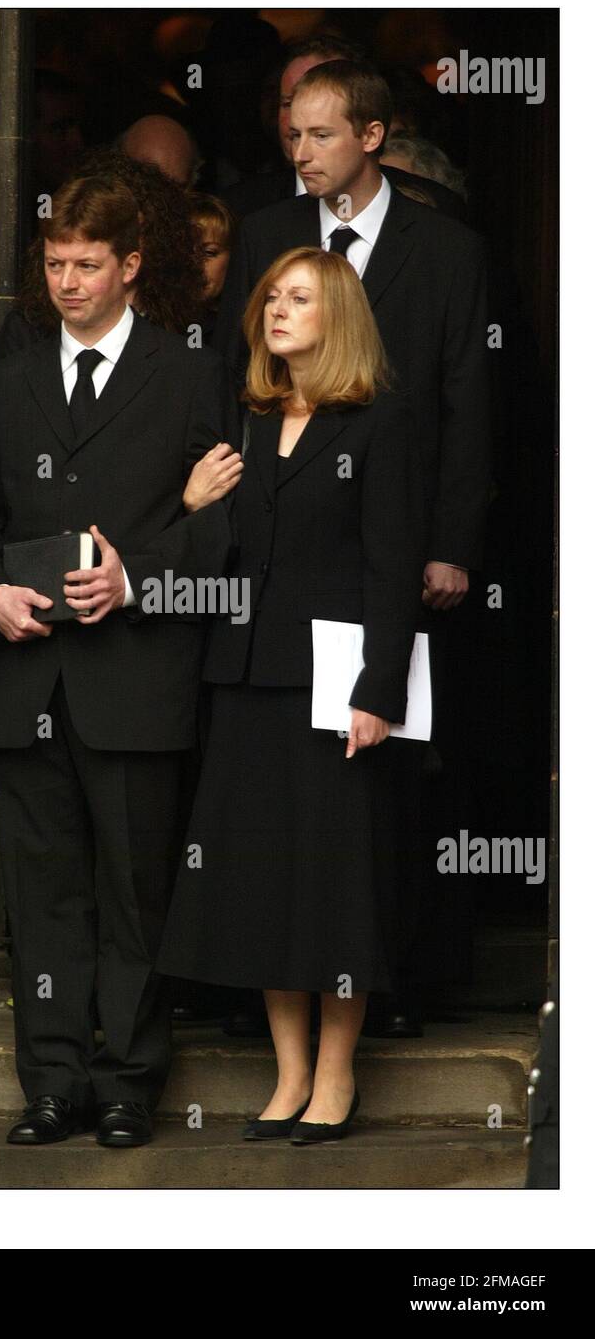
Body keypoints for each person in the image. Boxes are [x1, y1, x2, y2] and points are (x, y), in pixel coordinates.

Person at [0, 175, 238, 1148]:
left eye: (85, 265)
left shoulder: (189, 375)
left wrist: (136, 578)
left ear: (130, 266)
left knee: (133, 891)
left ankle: (128, 1085)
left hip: (137, 675)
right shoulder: (9, 381)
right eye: (54, 264)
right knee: (44, 894)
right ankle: (52, 1083)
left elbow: (224, 529)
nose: (67, 282)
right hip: (29, 680)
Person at [214, 59, 491, 1038]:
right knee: (286, 808)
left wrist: (451, 543)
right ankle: (285, 1002)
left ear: (371, 136)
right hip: (295, 565)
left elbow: (469, 404)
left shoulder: (445, 249)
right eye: (292, 134)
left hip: (402, 552)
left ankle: (402, 983)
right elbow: (235, 390)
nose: (301, 152)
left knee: (385, 782)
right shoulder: (267, 237)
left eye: (320, 134)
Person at [156, 246, 423, 1142]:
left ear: (336, 316)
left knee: (333, 886)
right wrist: (191, 506)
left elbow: (392, 568)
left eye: (298, 297)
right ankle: (289, 1077)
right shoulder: (248, 412)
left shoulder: (381, 422)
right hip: (246, 677)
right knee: (262, 882)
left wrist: (379, 689)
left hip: (335, 688)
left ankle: (338, 1078)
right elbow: (220, 544)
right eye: (272, 295)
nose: (277, 309)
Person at [221, 31, 466, 223]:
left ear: (371, 131)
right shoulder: (239, 212)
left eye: (324, 105)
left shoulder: (436, 209)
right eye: (289, 103)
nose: (302, 118)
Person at [0, 149, 207, 363]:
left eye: (123, 226)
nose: (67, 282)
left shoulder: (184, 328)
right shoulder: (27, 330)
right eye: (56, 263)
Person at [188, 192, 237, 343]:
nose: (195, 263)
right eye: (186, 251)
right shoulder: (147, 323)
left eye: (209, 253)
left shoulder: (243, 328)